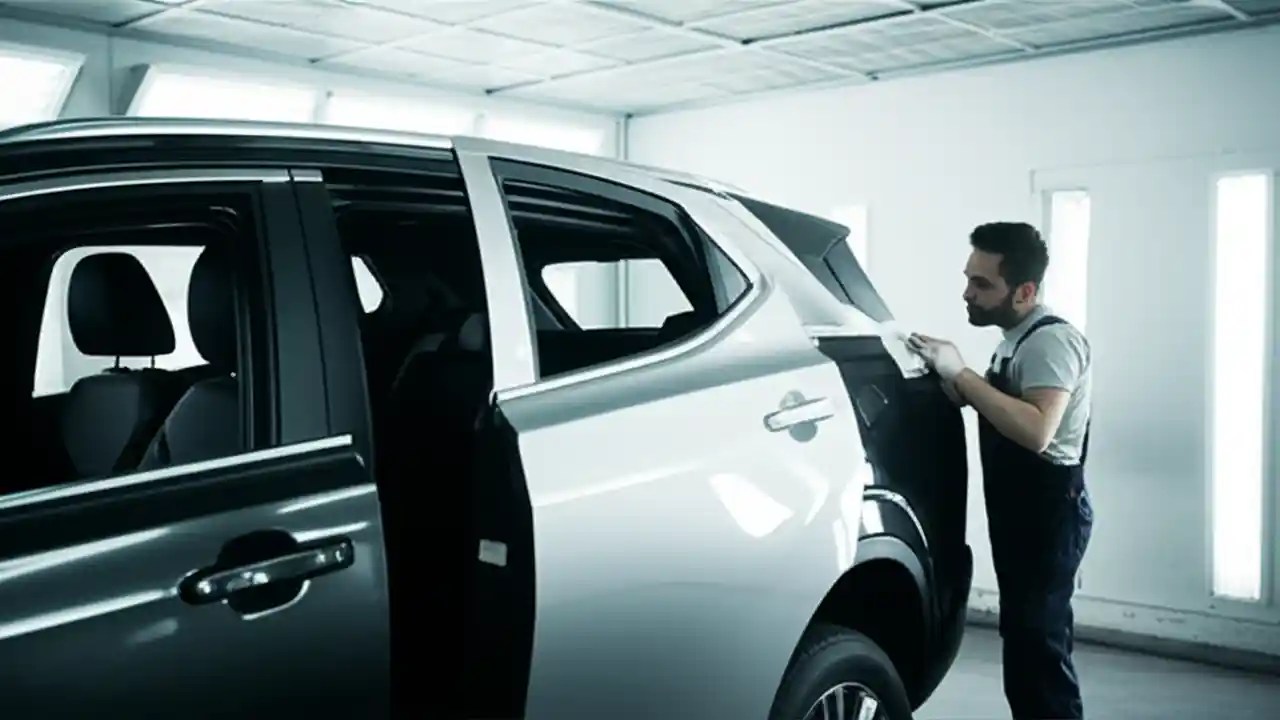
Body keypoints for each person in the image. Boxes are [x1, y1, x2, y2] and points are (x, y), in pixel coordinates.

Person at [907, 222, 1094, 720]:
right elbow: (1005, 408)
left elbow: (1037, 431)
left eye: (982, 284)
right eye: (968, 278)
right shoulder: (1012, 338)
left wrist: (962, 374)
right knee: (1027, 646)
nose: (967, 292)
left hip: (1050, 516)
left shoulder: (1051, 343)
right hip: (1024, 517)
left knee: (1040, 651)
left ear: (1025, 291)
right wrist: (955, 386)